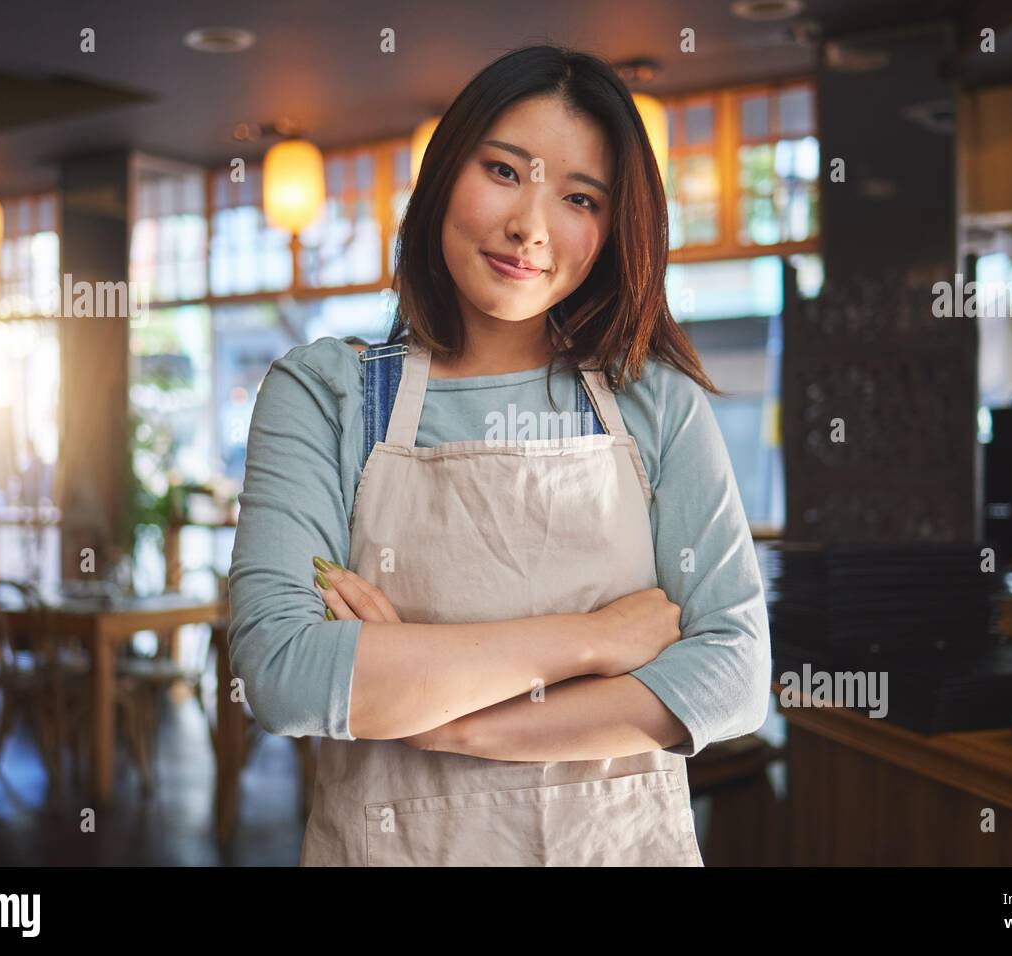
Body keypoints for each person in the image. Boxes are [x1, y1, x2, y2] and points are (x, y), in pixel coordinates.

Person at [228, 44, 771, 866]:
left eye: (580, 196)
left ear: (612, 227)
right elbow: (285, 671)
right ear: (446, 171)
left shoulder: (653, 402)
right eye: (506, 171)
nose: (531, 227)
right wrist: (595, 641)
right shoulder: (325, 394)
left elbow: (733, 678)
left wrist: (448, 719)